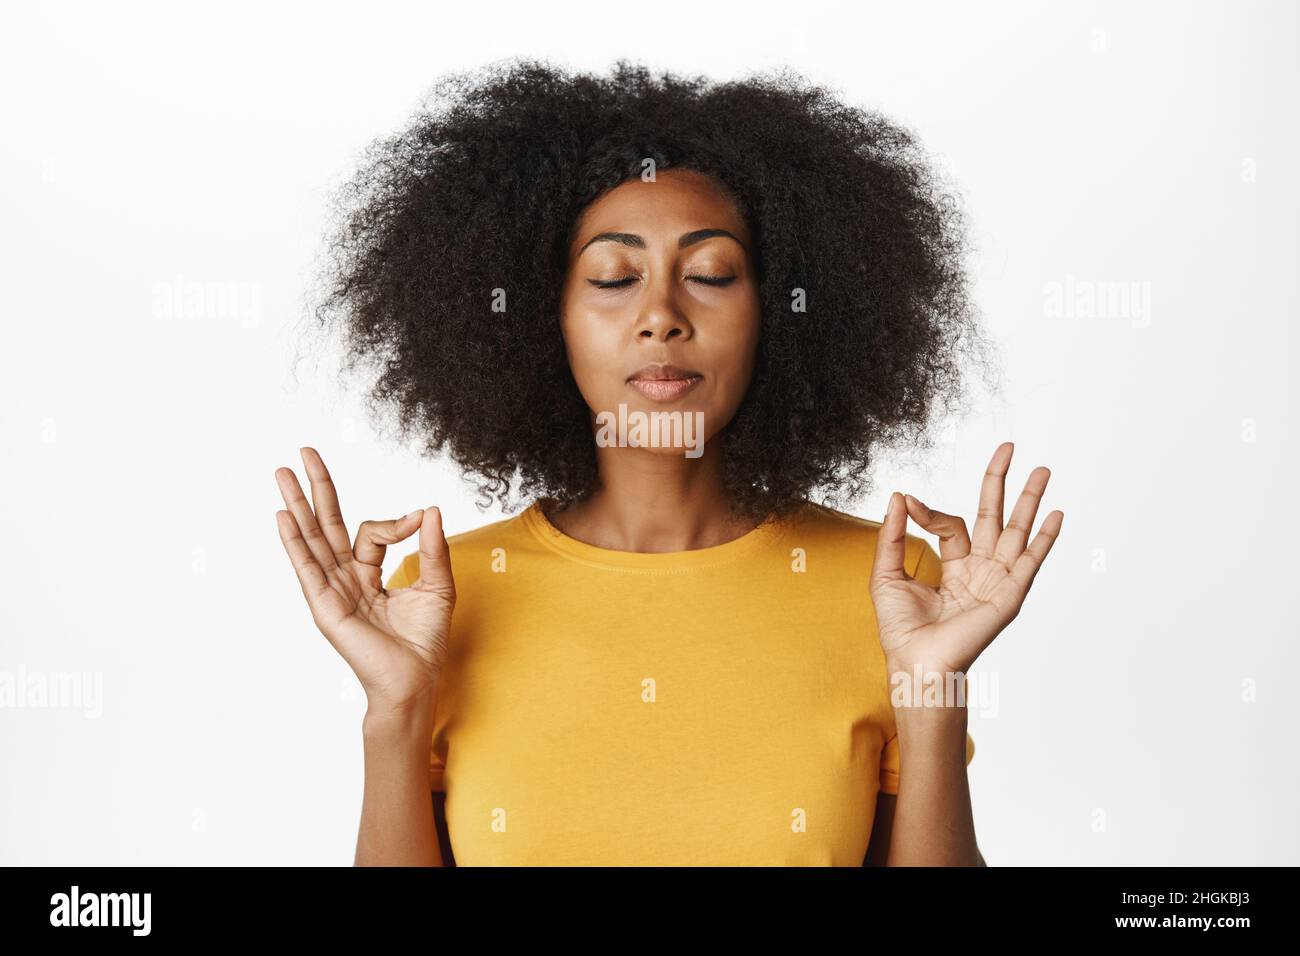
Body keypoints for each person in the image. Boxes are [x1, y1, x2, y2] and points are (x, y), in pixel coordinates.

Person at [273, 60, 1062, 866]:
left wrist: (932, 697)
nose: (660, 317)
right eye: (615, 278)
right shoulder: (444, 600)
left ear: (781, 308)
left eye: (711, 274)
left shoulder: (892, 588)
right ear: (548, 317)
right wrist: (396, 707)